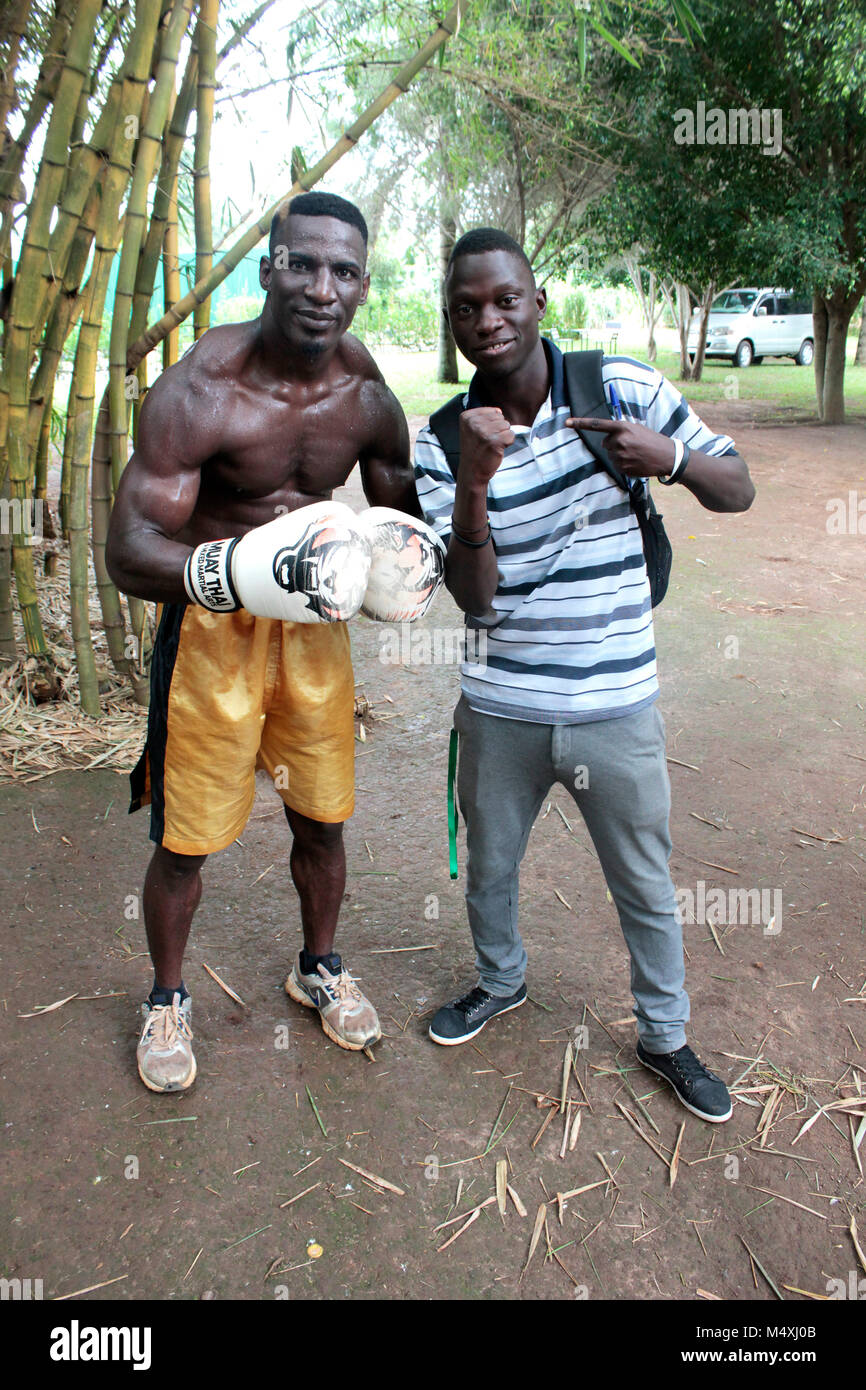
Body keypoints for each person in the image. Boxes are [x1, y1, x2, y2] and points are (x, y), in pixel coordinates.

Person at [414, 228, 755, 1123]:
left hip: (616, 705)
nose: (487, 321)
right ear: (451, 322)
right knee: (490, 867)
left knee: (643, 878)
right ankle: (499, 982)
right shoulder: (442, 441)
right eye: (466, 308)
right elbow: (475, 601)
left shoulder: (620, 387)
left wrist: (670, 459)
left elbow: (739, 486)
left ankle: (664, 1035)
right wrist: (476, 484)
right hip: (500, 708)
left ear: (537, 302)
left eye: (504, 300)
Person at [107, 191, 439, 1091]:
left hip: (314, 638)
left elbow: (402, 512)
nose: (320, 287)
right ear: (270, 269)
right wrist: (234, 573)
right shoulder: (202, 389)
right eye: (303, 263)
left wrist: (398, 560)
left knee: (322, 816)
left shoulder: (367, 394)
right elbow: (129, 548)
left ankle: (318, 967)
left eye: (342, 271)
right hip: (212, 632)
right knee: (186, 837)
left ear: (364, 285)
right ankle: (167, 996)